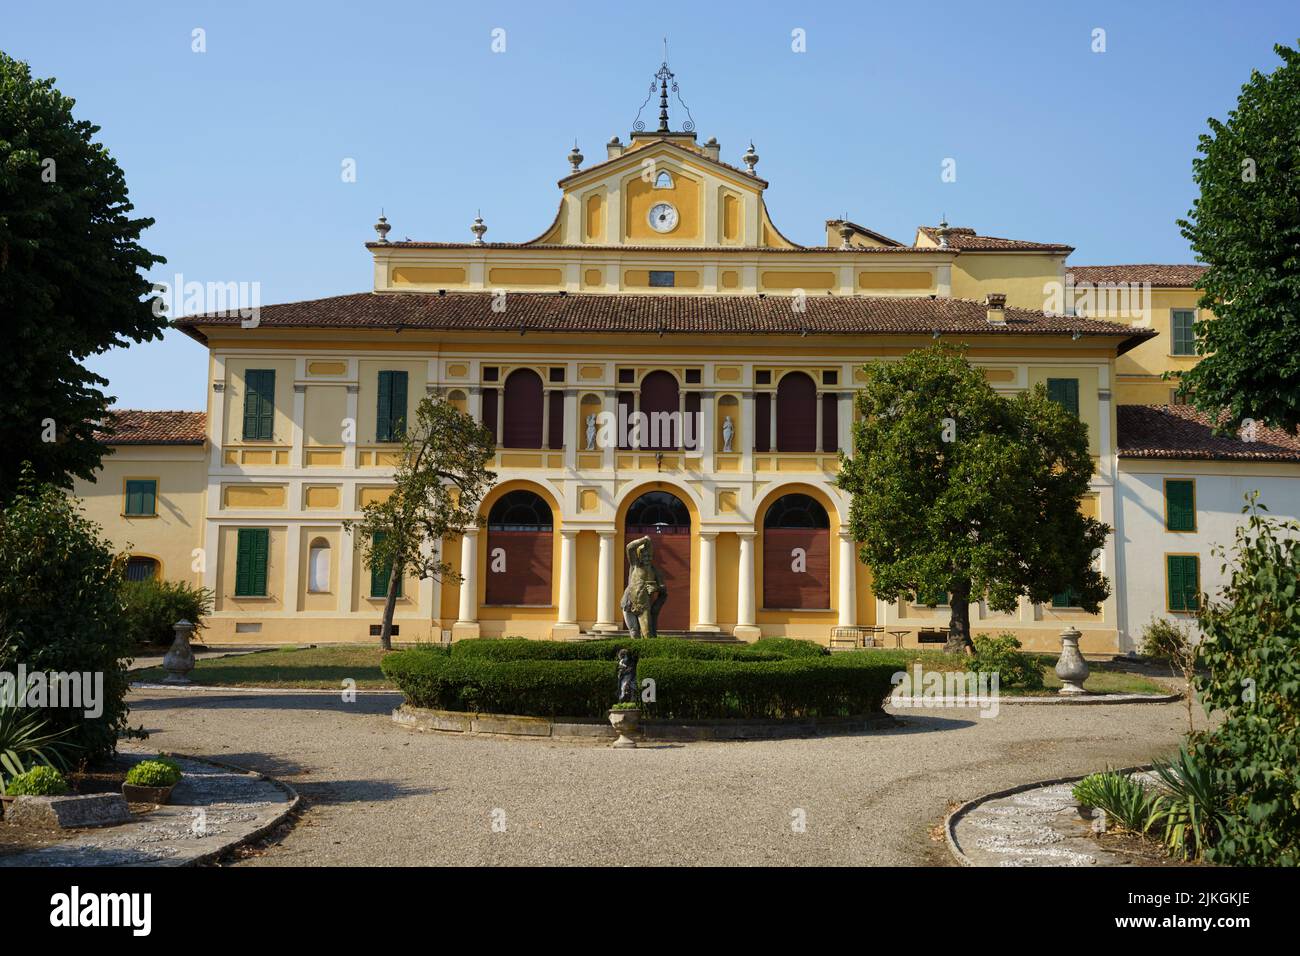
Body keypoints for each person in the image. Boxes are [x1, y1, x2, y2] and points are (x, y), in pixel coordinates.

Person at [620, 535, 666, 638]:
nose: (647, 558)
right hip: (628, 603)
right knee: (634, 631)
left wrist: (656, 588)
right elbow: (629, 547)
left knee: (647, 634)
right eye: (644, 556)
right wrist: (644, 540)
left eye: (649, 556)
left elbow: (663, 588)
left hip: (644, 605)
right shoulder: (635, 565)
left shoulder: (655, 572)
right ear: (639, 556)